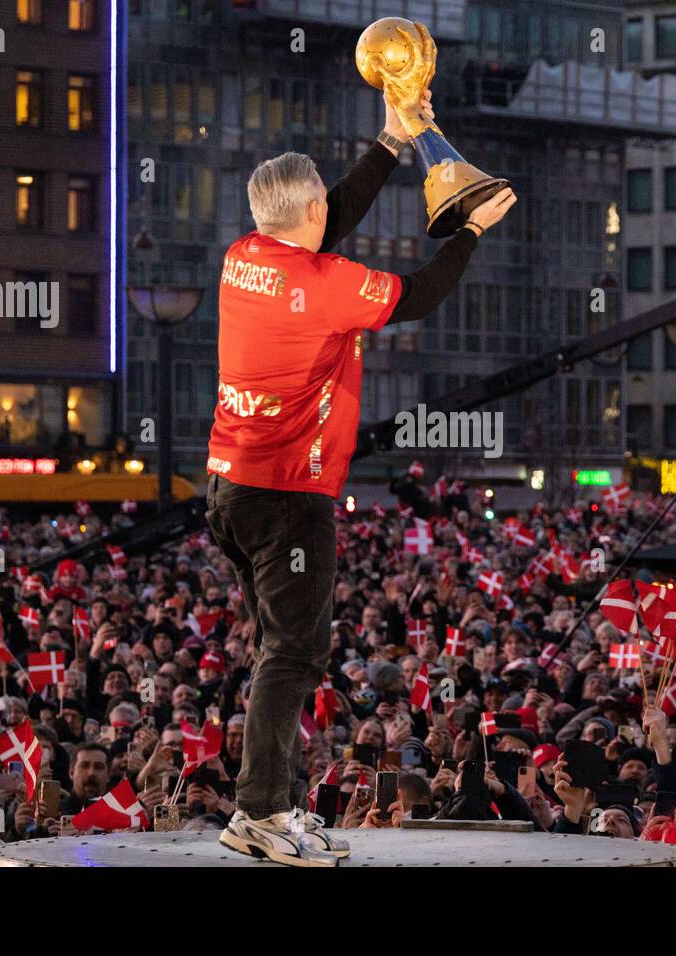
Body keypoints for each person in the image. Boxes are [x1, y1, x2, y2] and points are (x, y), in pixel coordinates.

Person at [203, 85, 516, 867]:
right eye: (321, 212)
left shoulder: (245, 258)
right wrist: (472, 227)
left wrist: (389, 141)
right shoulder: (325, 284)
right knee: (294, 654)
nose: (328, 219)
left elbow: (329, 216)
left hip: (229, 488)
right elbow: (418, 295)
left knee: (282, 648)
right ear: (306, 217)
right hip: (287, 500)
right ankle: (261, 812)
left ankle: (269, 804)